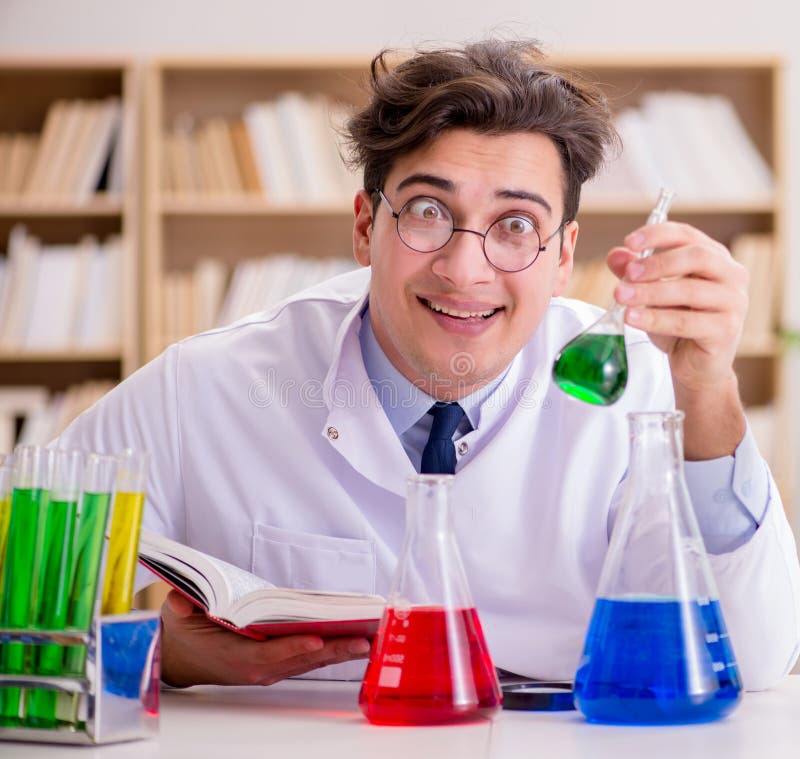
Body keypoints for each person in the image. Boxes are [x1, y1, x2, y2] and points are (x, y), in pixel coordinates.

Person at [56, 38, 800, 690]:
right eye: (426, 212)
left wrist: (706, 391)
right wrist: (157, 654)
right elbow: (19, 594)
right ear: (365, 225)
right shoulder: (210, 385)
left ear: (564, 255)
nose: (464, 267)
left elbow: (760, 656)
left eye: (516, 225)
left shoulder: (635, 384)